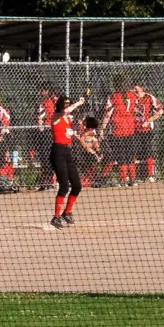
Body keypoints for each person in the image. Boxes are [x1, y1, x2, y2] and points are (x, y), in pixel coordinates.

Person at [47, 95, 87, 228]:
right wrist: (78, 103)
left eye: (68, 103)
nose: (66, 106)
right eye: (64, 104)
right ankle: (56, 217)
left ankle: (67, 212)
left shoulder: (69, 119)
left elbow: (71, 131)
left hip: (68, 153)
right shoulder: (55, 117)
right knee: (64, 186)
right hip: (57, 153)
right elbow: (65, 112)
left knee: (77, 186)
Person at [102, 77, 140, 186]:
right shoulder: (132, 95)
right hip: (130, 129)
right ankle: (132, 179)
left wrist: (102, 128)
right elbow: (136, 108)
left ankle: (124, 179)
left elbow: (108, 114)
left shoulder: (114, 97)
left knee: (121, 156)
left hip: (118, 130)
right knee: (130, 156)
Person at [132, 83, 164, 182]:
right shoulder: (131, 97)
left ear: (142, 88)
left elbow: (160, 111)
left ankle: (150, 175)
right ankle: (133, 176)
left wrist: (148, 121)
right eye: (134, 90)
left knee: (148, 151)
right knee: (133, 151)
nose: (135, 92)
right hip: (133, 129)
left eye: (137, 89)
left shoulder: (149, 98)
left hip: (146, 130)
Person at [77, 116, 104, 187]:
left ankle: (96, 179)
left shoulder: (91, 132)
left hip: (91, 150)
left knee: (96, 162)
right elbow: (82, 141)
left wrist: (98, 150)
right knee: (91, 161)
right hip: (84, 152)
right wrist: (90, 150)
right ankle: (92, 180)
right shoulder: (83, 131)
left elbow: (95, 141)